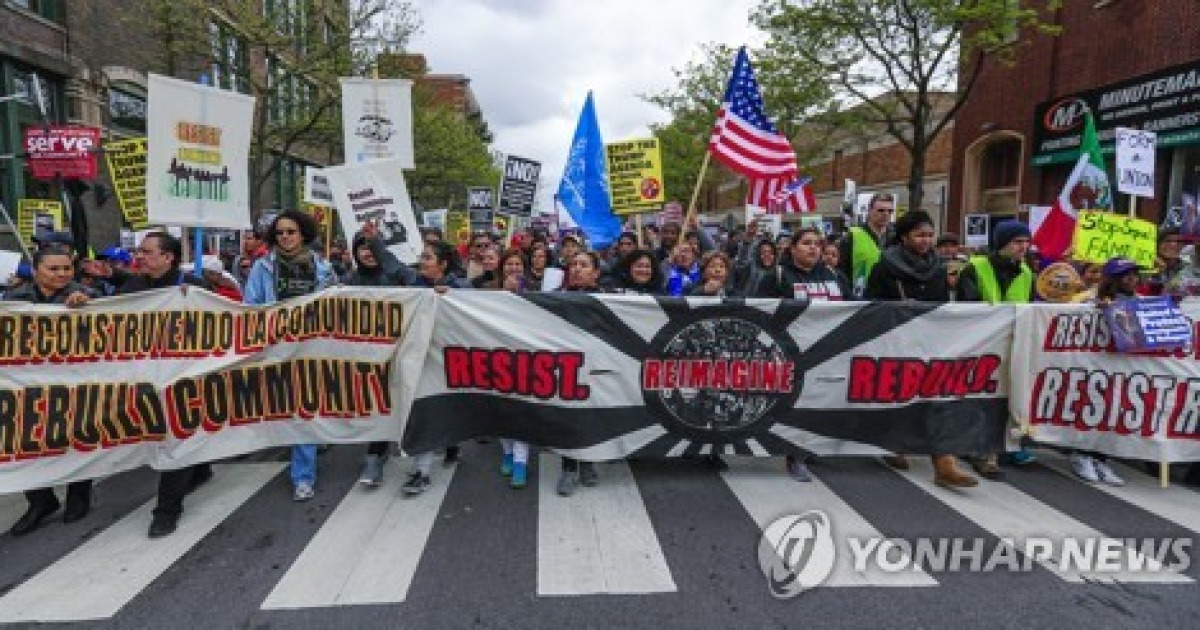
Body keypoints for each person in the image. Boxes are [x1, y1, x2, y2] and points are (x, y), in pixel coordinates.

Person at [866, 211, 978, 489]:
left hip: (930, 341)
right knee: (899, 395)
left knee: (936, 396)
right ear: (905, 238)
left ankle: (944, 462)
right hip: (895, 342)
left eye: (929, 235)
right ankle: (894, 445)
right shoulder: (884, 267)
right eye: (920, 235)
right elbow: (870, 305)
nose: (926, 240)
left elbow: (941, 305)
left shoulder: (938, 268)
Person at [113, 232, 214, 537]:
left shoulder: (194, 288)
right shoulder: (132, 286)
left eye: (147, 252)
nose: (140, 257)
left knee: (175, 435)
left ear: (168, 257)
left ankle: (167, 510)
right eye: (139, 252)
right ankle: (199, 469)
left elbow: (215, 327)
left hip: (182, 377)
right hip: (146, 376)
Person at [244, 211, 338, 502]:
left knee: (303, 409)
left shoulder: (323, 268)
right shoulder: (262, 268)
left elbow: (337, 305)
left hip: (311, 349)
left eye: (291, 231)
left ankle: (303, 475)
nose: (285, 236)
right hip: (276, 348)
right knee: (282, 407)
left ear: (303, 235)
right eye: (280, 232)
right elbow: (250, 305)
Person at [4, 245, 96, 536]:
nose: (61, 274)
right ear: (36, 271)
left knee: (78, 436)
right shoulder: (13, 299)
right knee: (23, 441)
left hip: (76, 383)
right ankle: (41, 501)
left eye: (67, 268)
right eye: (53, 269)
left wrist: (88, 304)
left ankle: (78, 495)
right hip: (28, 386)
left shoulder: (88, 295)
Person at [754, 227, 849, 481]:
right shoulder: (776, 276)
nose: (813, 248)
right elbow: (760, 314)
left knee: (821, 400)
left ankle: (811, 447)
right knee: (796, 404)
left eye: (817, 243)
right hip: (791, 353)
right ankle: (794, 454)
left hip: (828, 351)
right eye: (806, 243)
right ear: (792, 248)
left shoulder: (834, 276)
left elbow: (850, 310)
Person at [954, 219, 1037, 477]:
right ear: (1002, 244)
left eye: (1026, 242)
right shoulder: (975, 269)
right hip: (980, 343)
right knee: (980, 396)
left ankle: (1005, 444)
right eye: (1017, 242)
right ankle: (979, 450)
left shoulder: (1027, 274)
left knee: (1008, 395)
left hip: (1012, 343)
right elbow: (967, 307)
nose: (1023, 247)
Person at [345, 222, 417, 486]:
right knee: (378, 403)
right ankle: (375, 456)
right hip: (369, 355)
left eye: (370, 246)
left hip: (402, 349)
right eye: (360, 247)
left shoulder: (397, 273)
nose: (366, 252)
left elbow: (412, 282)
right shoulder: (350, 281)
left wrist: (378, 245)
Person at [402, 241, 465, 496]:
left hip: (448, 357)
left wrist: (452, 296)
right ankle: (422, 470)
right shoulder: (412, 286)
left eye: (428, 258)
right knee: (422, 410)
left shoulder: (459, 287)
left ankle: (450, 443)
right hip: (420, 356)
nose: (422, 262)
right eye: (422, 257)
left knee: (445, 406)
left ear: (443, 264)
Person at [556, 252, 607, 496]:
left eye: (583, 265)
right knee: (568, 416)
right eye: (573, 265)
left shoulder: (609, 298)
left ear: (596, 272)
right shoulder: (553, 296)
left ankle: (588, 462)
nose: (576, 269)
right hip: (565, 365)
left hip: (596, 365)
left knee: (592, 415)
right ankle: (569, 467)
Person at [839, 192, 896, 298]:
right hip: (859, 299)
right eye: (881, 210)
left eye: (890, 211)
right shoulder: (852, 235)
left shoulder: (896, 238)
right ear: (869, 211)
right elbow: (841, 271)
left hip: (889, 300)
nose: (886, 214)